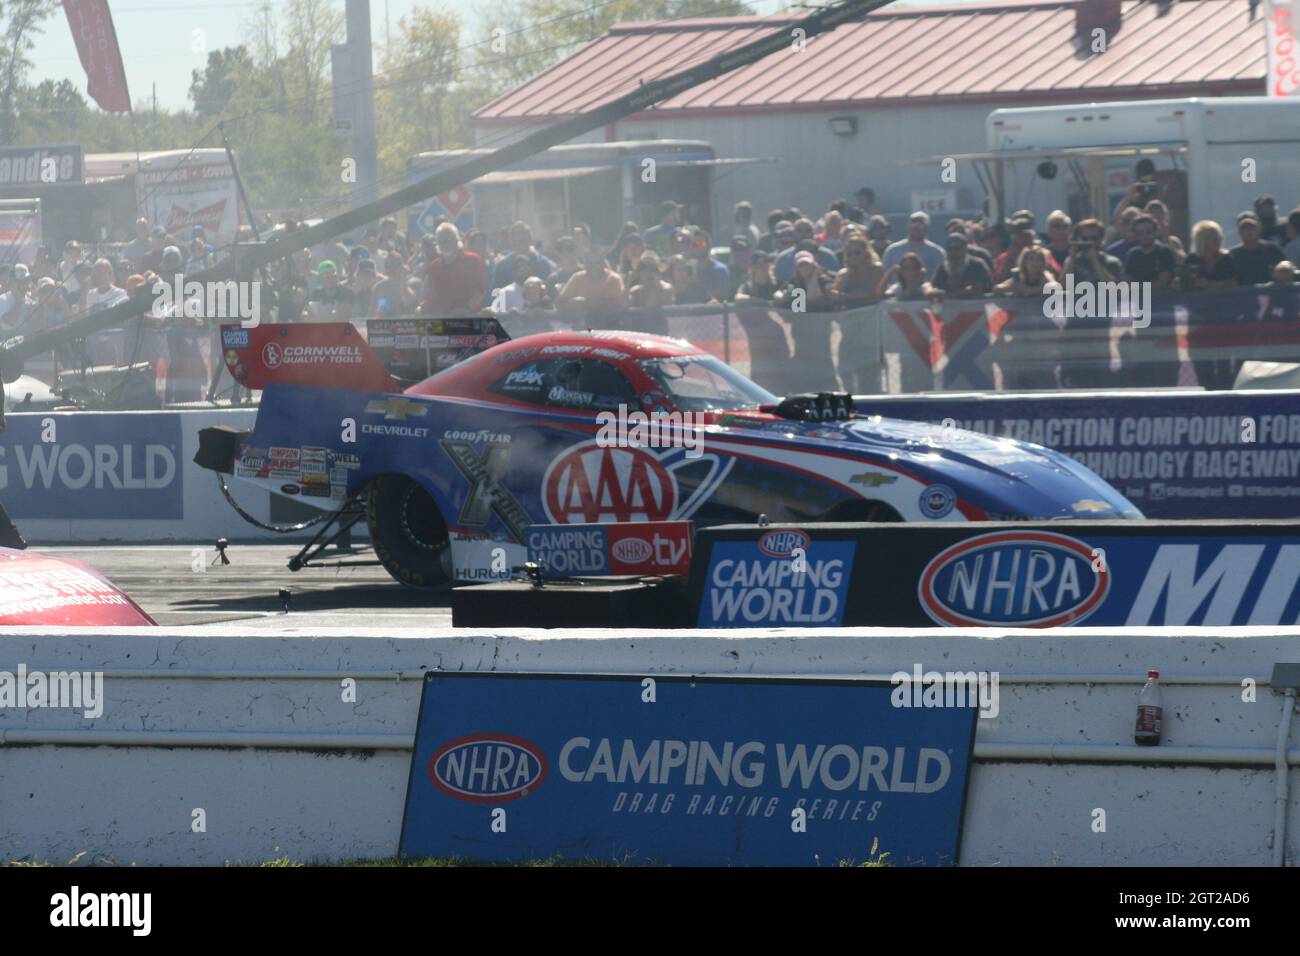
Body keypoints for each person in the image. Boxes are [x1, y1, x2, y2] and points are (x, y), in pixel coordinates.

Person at [776, 251, 837, 391]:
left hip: (821, 335)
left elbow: (812, 296)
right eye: (801, 266)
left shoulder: (824, 280)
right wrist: (782, 296)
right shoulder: (793, 283)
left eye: (808, 265)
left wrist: (815, 275)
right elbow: (781, 296)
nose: (805, 268)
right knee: (803, 370)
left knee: (825, 366)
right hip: (801, 336)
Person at [423, 222, 486, 315]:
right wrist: (421, 307)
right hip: (442, 320)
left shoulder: (472, 260)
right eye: (441, 240)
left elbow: (479, 292)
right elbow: (431, 297)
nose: (445, 243)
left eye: (449, 239)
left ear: (457, 240)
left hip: (469, 318)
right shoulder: (434, 267)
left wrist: (465, 309)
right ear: (437, 244)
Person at [881, 211, 945, 278]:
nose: (916, 226)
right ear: (907, 226)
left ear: (927, 228)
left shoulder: (937, 252)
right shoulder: (892, 250)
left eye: (921, 224)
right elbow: (882, 275)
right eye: (913, 222)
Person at [556, 252, 624, 312]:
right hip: (581, 322)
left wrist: (586, 302)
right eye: (589, 263)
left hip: (609, 322)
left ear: (603, 264)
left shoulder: (613, 279)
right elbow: (560, 302)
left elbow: (617, 303)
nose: (593, 266)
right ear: (585, 265)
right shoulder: (578, 277)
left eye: (597, 263)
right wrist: (572, 303)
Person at [1229, 212, 1285, 285]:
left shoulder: (1273, 250)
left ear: (1260, 228)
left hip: (1271, 294)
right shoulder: (1232, 255)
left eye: (1252, 227)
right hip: (1243, 296)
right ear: (1239, 231)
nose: (1249, 230)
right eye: (1244, 227)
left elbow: (1286, 272)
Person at [931, 233, 994, 298]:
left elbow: (988, 286)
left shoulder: (977, 265)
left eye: (957, 248)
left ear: (965, 249)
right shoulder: (942, 268)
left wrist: (968, 291)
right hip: (950, 306)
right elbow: (935, 288)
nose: (954, 252)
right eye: (950, 249)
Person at [1123, 214, 1176, 289]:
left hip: (1162, 298)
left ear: (1155, 232)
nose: (1144, 236)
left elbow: (1163, 283)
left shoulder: (1164, 252)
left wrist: (1136, 287)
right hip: (1138, 299)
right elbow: (1126, 282)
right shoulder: (1133, 254)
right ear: (1135, 235)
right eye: (1140, 233)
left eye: (1148, 232)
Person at [1181, 221, 1237, 290]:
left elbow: (1233, 282)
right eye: (1214, 240)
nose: (1218, 242)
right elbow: (1183, 282)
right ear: (1203, 241)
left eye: (1220, 239)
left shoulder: (1226, 259)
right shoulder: (1192, 259)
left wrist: (1210, 284)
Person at [994, 245, 1059, 296]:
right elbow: (997, 288)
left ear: (1043, 262)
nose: (1035, 262)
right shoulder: (1019, 276)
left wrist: (1028, 290)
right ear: (1024, 262)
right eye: (1031, 259)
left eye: (1038, 259)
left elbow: (1054, 287)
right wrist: (1013, 287)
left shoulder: (1045, 275)